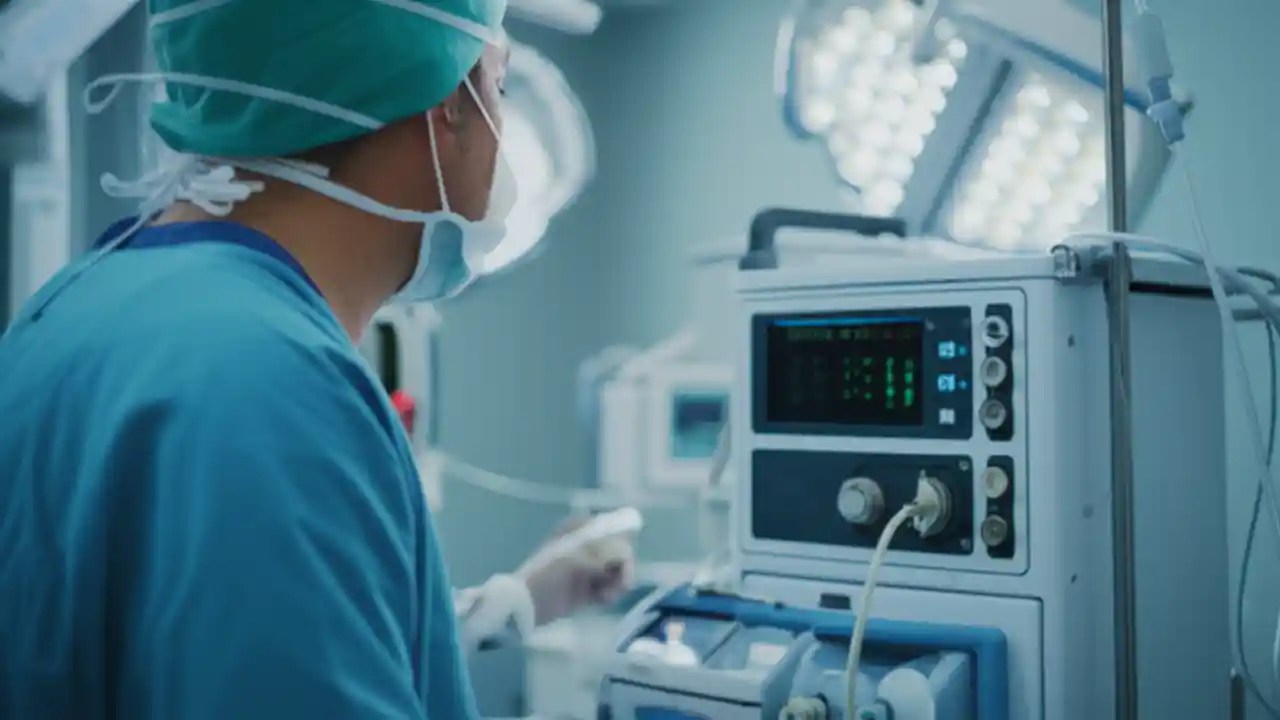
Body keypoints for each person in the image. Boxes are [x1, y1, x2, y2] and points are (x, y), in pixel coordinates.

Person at [0, 0, 633, 718]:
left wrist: (516, 603)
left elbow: (225, 647)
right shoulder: (274, 387)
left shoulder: (72, 306)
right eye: (498, 86)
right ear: (448, 105)